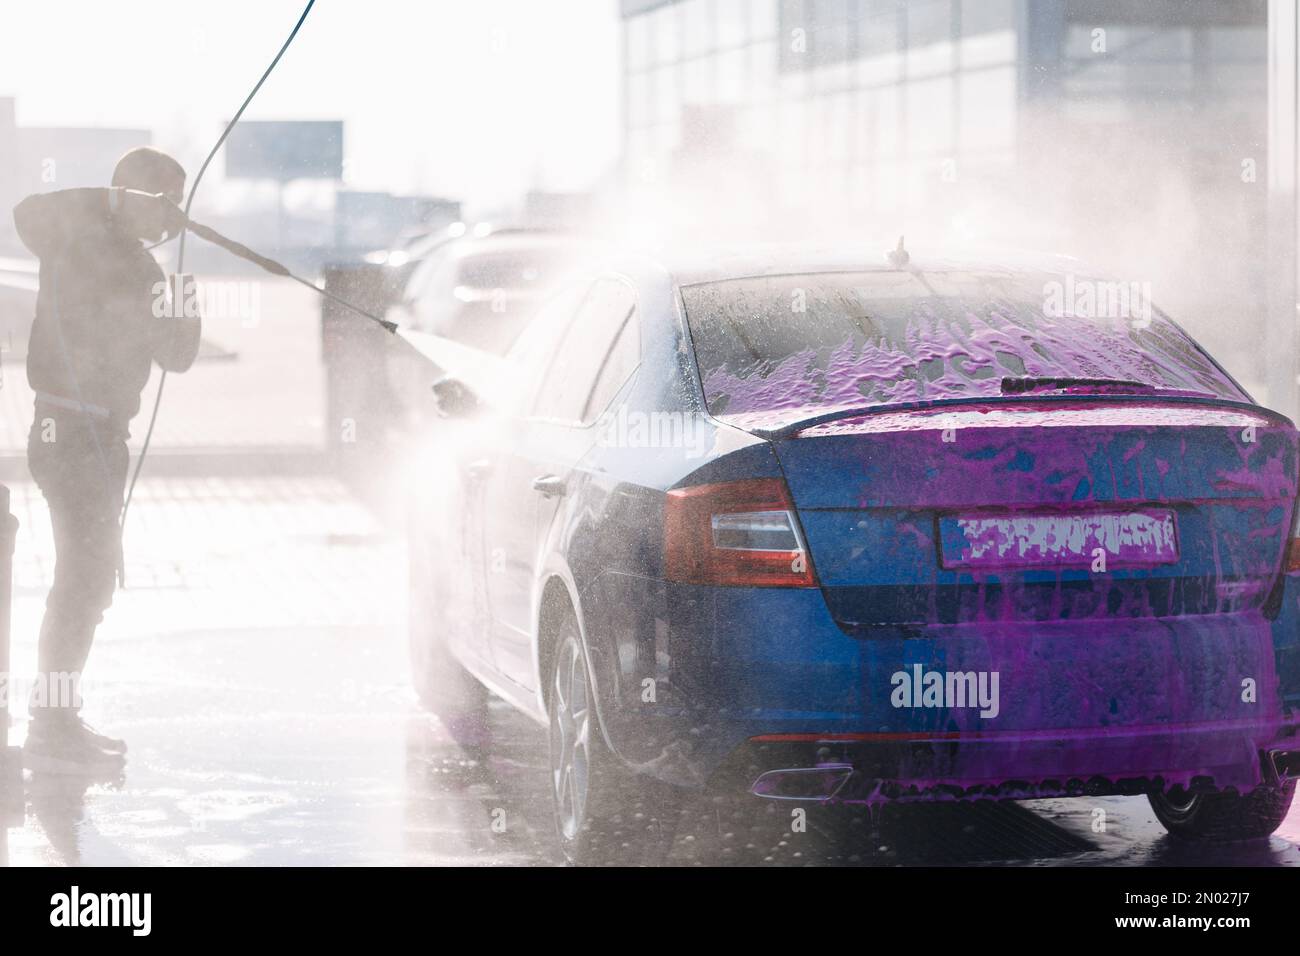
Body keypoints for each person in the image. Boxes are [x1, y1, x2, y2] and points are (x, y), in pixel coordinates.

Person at [11, 146, 201, 772]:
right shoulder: (75, 237)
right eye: (164, 202)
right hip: (65, 429)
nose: (173, 218)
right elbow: (25, 211)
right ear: (131, 195)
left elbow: (176, 357)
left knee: (89, 583)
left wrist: (184, 301)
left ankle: (58, 720)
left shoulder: (147, 271)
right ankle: (51, 728)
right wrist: (113, 202)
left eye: (178, 204)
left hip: (104, 437)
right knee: (81, 581)